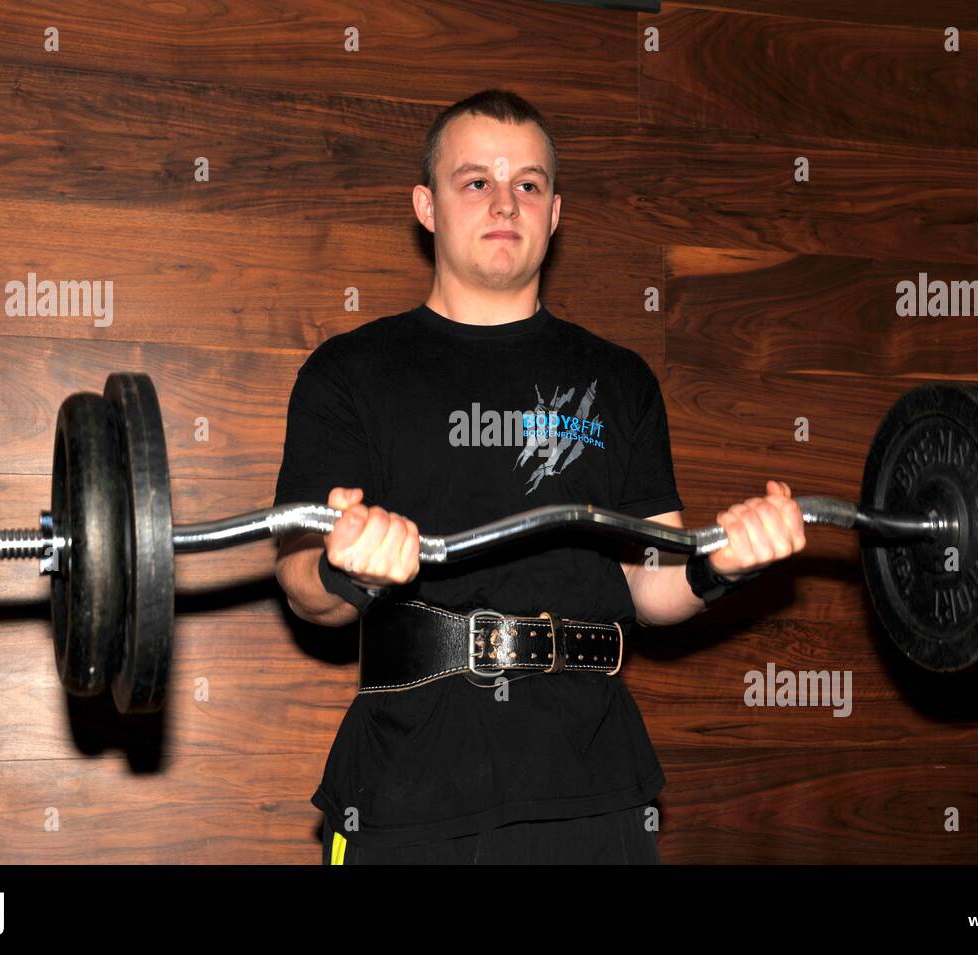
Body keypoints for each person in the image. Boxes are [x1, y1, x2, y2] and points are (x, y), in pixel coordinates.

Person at [274, 89, 805, 865]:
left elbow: (652, 585)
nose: (504, 201)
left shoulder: (619, 379)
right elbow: (298, 583)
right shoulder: (348, 372)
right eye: (475, 181)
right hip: (409, 783)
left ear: (555, 212)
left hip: (592, 781)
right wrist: (344, 565)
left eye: (528, 183)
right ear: (426, 205)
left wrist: (723, 559)